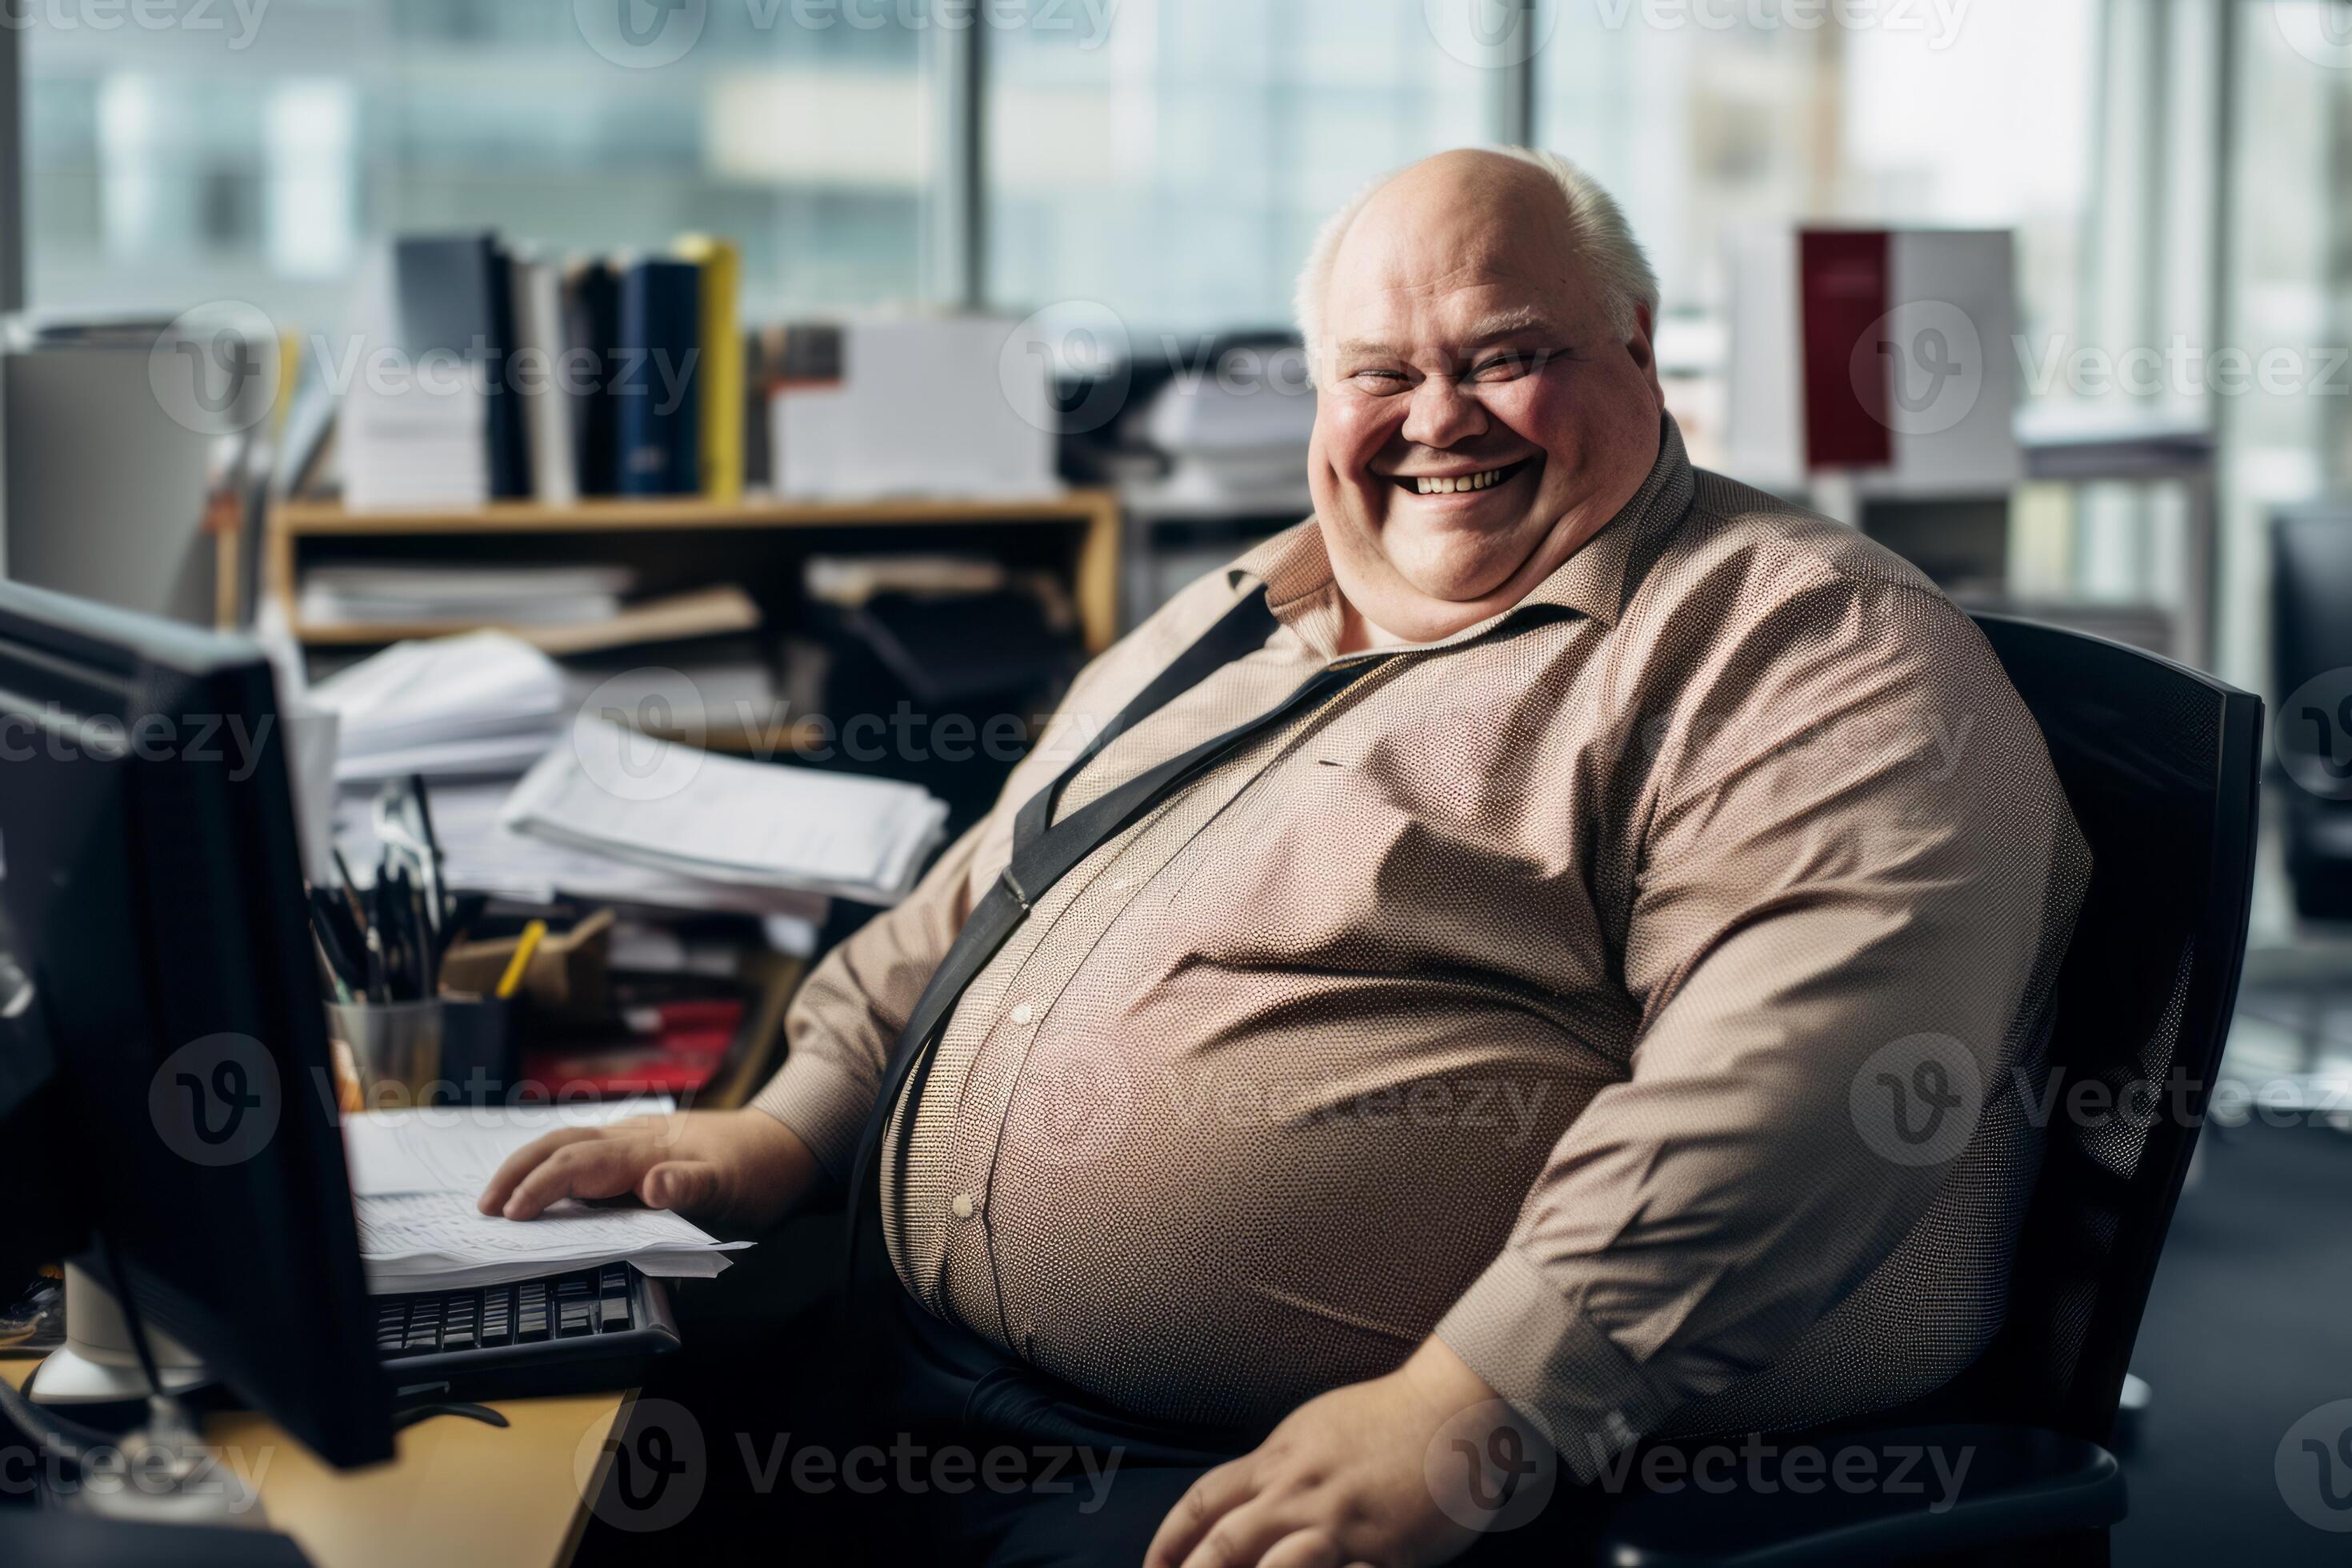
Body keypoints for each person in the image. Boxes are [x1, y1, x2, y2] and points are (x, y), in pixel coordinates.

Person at [484, 147, 2086, 1566]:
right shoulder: (1260, 595)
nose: (1439, 416)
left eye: (1510, 355)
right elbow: (1000, 877)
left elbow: (1804, 1079)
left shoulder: (1803, 645)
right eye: (1379, 369)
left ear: (1642, 356)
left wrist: (1482, 1401)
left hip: (1318, 1489)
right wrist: (784, 1122)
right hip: (914, 1377)